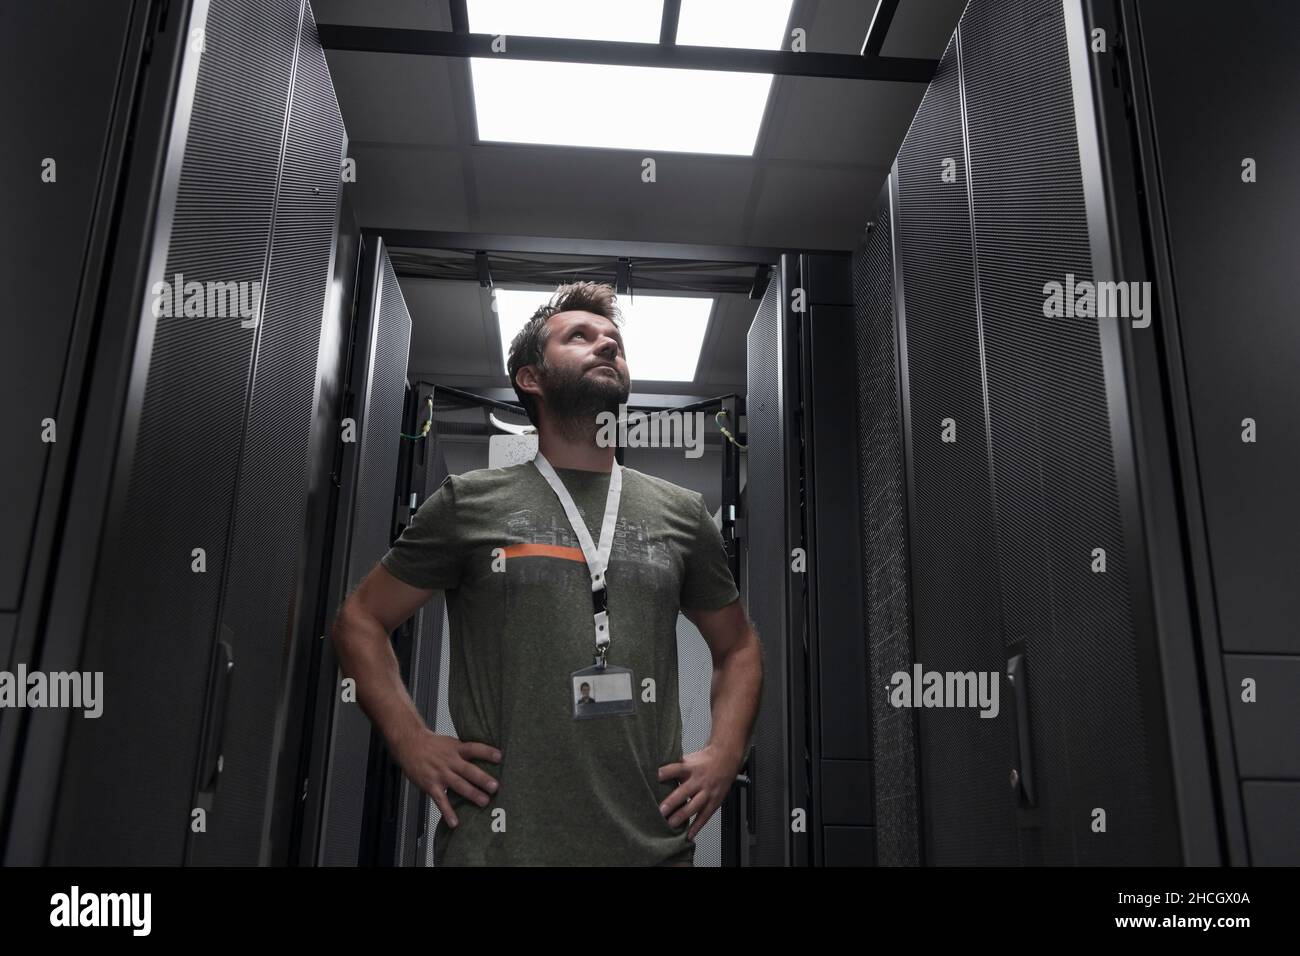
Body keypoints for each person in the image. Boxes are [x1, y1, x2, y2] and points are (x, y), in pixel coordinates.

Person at [331, 281, 763, 866]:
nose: (606, 346)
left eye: (615, 341)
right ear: (530, 376)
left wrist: (725, 751)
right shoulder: (469, 502)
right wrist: (411, 741)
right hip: (498, 850)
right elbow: (359, 618)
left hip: (650, 848)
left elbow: (738, 646)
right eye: (580, 337)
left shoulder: (681, 513)